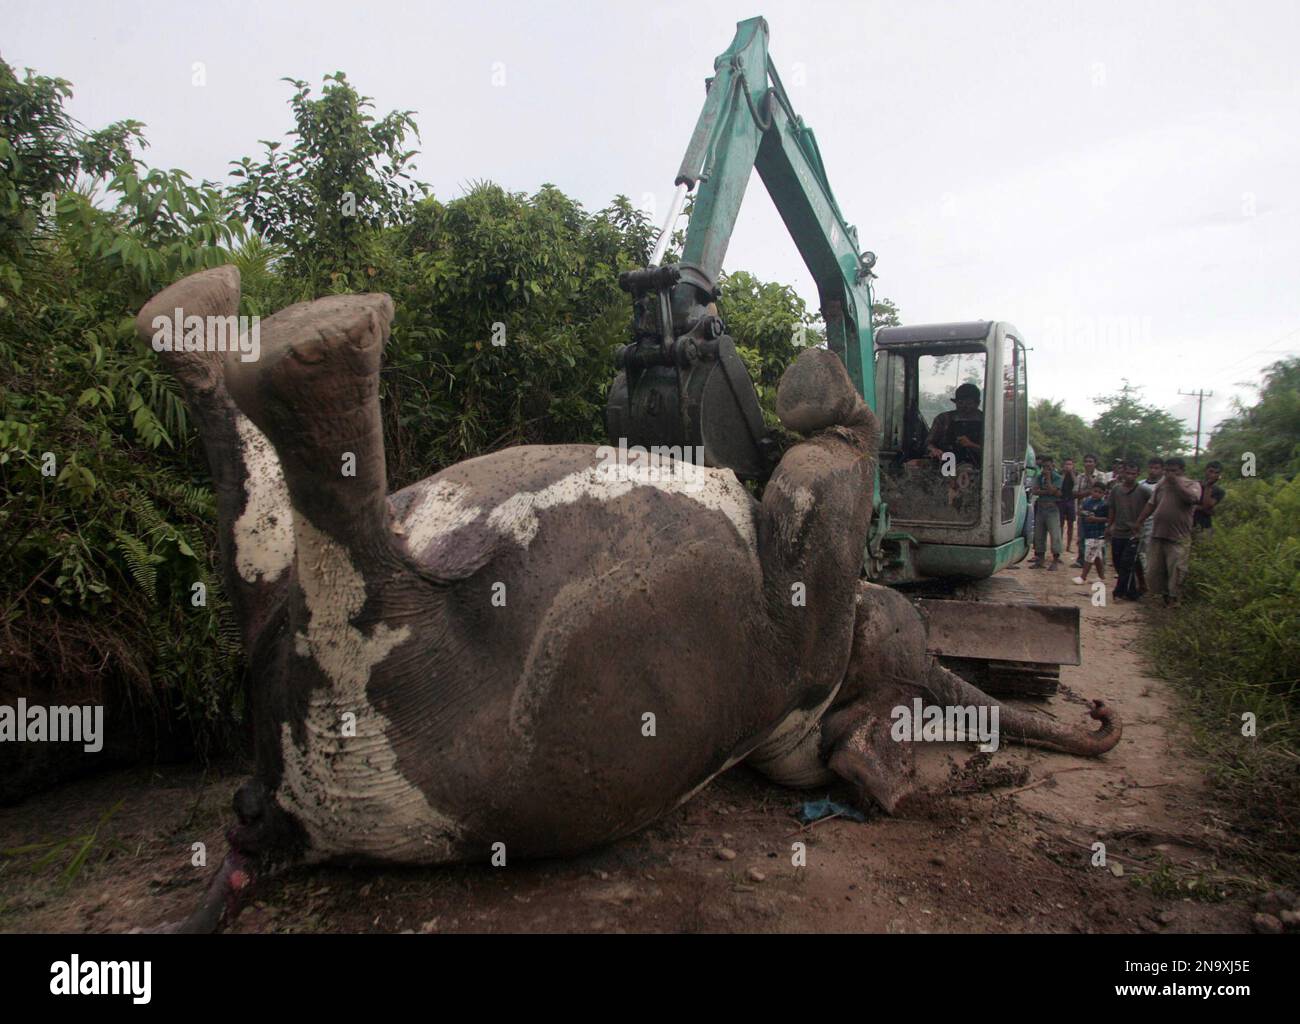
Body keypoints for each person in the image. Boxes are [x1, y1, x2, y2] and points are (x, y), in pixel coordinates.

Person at [1132, 457, 1201, 607]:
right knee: (1154, 570)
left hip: (1178, 536)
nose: (1169, 474)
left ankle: (1175, 599)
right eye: (1167, 471)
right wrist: (1139, 521)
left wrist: (1176, 483)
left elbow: (1193, 499)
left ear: (1182, 470)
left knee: (1176, 570)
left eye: (1173, 471)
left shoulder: (1192, 485)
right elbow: (1151, 504)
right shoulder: (1162, 484)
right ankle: (1162, 597)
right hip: (1158, 534)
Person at [1105, 459, 1152, 600]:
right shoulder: (1116, 490)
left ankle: (1118, 592)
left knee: (1127, 562)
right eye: (1128, 473)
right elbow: (1112, 508)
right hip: (1118, 531)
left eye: (1133, 473)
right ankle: (1131, 591)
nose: (1130, 476)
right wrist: (1109, 525)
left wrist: (1140, 522)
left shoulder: (1144, 490)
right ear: (1123, 473)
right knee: (1118, 562)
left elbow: (1153, 505)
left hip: (1134, 533)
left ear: (1138, 474)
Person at [926, 383, 983, 465]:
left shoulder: (986, 422)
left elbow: (992, 452)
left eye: (969, 403)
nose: (964, 407)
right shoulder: (943, 419)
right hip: (944, 468)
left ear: (977, 403)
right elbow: (928, 443)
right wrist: (934, 450)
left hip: (979, 470)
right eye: (960, 403)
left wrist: (971, 445)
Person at [1028, 454, 1063, 570]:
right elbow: (1035, 491)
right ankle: (1040, 560)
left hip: (1052, 508)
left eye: (1048, 466)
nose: (1045, 469)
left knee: (1055, 535)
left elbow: (1055, 492)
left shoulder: (1057, 477)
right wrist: (1049, 491)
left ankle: (1055, 561)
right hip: (1041, 507)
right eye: (1044, 467)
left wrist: (1048, 482)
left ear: (1053, 465)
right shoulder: (1039, 477)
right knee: (1039, 535)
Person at [1073, 481, 1109, 585]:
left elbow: (1107, 518)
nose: (1096, 494)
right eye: (1095, 491)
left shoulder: (1104, 505)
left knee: (1089, 555)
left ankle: (1083, 577)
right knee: (1096, 555)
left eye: (1099, 492)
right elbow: (1080, 511)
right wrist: (1082, 513)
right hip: (1088, 531)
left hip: (1098, 533)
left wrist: (1095, 519)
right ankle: (1101, 577)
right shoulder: (1087, 502)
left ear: (1103, 494)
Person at [1073, 454, 1103, 568]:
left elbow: (1101, 493)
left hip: (1098, 512)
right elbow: (1075, 493)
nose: (1088, 464)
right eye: (1086, 461)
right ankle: (1081, 560)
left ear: (1095, 463)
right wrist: (1090, 491)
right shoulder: (1080, 477)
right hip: (1083, 511)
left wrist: (1090, 480)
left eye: (1090, 461)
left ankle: (1098, 561)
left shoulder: (1101, 475)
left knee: (1097, 538)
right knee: (1082, 537)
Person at [1194, 460, 1225, 538]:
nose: (1213, 475)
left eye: (1216, 473)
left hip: (1205, 527)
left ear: (1219, 475)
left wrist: (1208, 486)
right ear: (1205, 471)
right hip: (1187, 525)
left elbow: (1207, 506)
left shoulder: (1219, 491)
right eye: (1211, 471)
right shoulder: (1195, 484)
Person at [1060, 457, 1077, 553]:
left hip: (1070, 500)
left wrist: (1071, 473)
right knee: (1060, 524)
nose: (1068, 466)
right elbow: (1059, 484)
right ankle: (1060, 544)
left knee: (1070, 524)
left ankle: (1069, 545)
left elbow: (1076, 483)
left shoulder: (1075, 475)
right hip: (1061, 500)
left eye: (1070, 464)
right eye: (1066, 464)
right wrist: (1064, 473)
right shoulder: (1060, 474)